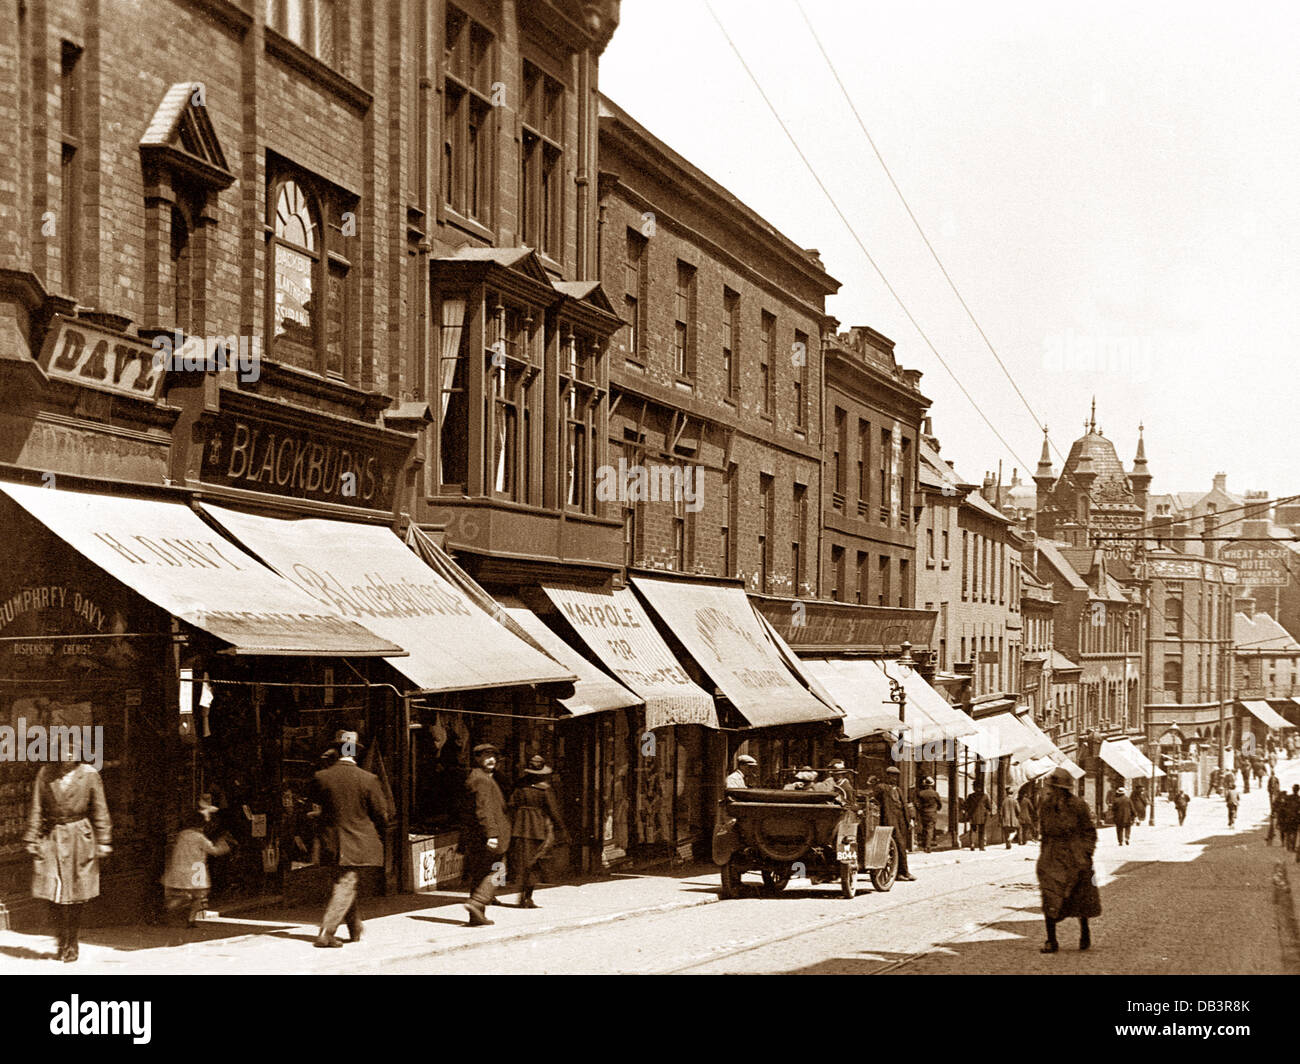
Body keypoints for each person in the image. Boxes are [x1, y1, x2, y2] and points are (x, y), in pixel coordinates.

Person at [24, 743, 112, 963]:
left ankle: (72, 942)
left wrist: (104, 840)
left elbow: (100, 808)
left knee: (75, 894)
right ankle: (61, 938)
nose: (68, 754)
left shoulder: (89, 775)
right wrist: (31, 837)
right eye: (64, 750)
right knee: (51, 892)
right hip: (52, 836)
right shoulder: (46, 773)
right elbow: (36, 807)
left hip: (79, 836)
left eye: (73, 750)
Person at [310, 731, 391, 948]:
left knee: (345, 883)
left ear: (336, 751)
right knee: (346, 884)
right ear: (356, 753)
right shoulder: (368, 779)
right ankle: (327, 932)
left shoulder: (321, 777)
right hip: (358, 843)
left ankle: (355, 928)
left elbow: (315, 807)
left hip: (331, 842)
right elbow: (382, 814)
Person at [1036, 766, 1100, 953]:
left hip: (1075, 856)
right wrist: (1043, 857)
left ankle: (1085, 931)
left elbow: (1089, 832)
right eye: (1051, 788)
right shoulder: (1046, 806)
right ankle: (1051, 940)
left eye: (1055, 789)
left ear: (1064, 789)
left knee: (1080, 897)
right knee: (1049, 895)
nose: (1052, 792)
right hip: (1052, 856)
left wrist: (1086, 853)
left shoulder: (1079, 806)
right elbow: (1044, 832)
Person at [162, 799, 234, 928]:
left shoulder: (182, 835)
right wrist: (225, 845)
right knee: (199, 895)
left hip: (180, 868)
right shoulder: (200, 838)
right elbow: (214, 851)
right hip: (196, 870)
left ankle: (174, 911)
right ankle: (190, 919)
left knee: (184, 894)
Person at [462, 743, 511, 926]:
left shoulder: (483, 777)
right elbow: (483, 809)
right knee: (499, 870)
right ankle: (478, 902)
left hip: (478, 836)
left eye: (493, 756)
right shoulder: (481, 779)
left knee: (480, 873)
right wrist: (491, 834)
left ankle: (476, 916)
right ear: (477, 759)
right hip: (488, 835)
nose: (491, 760)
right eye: (485, 756)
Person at [508, 756, 567, 909]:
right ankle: (527, 897)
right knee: (534, 863)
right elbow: (553, 811)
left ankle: (522, 897)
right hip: (537, 828)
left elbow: (511, 805)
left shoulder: (519, 785)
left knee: (522, 862)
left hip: (519, 827)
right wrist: (562, 829)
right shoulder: (544, 789)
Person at [873, 767, 915, 881]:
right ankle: (902, 872)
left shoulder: (899, 790)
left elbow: (904, 805)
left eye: (895, 776)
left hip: (901, 820)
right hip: (889, 820)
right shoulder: (881, 788)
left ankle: (903, 872)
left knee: (902, 846)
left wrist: (910, 820)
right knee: (898, 845)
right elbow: (874, 801)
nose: (893, 778)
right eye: (891, 775)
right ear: (886, 776)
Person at [915, 776, 943, 853]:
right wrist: (937, 808)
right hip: (932, 813)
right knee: (930, 829)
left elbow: (917, 804)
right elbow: (939, 804)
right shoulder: (935, 793)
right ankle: (928, 847)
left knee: (924, 829)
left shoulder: (921, 793)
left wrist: (920, 810)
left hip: (923, 813)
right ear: (932, 785)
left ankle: (924, 844)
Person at [963, 781, 990, 851]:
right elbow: (989, 806)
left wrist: (968, 812)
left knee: (973, 830)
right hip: (982, 816)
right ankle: (981, 846)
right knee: (982, 831)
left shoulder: (970, 796)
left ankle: (972, 844)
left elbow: (966, 806)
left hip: (973, 816)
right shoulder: (985, 796)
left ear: (974, 788)